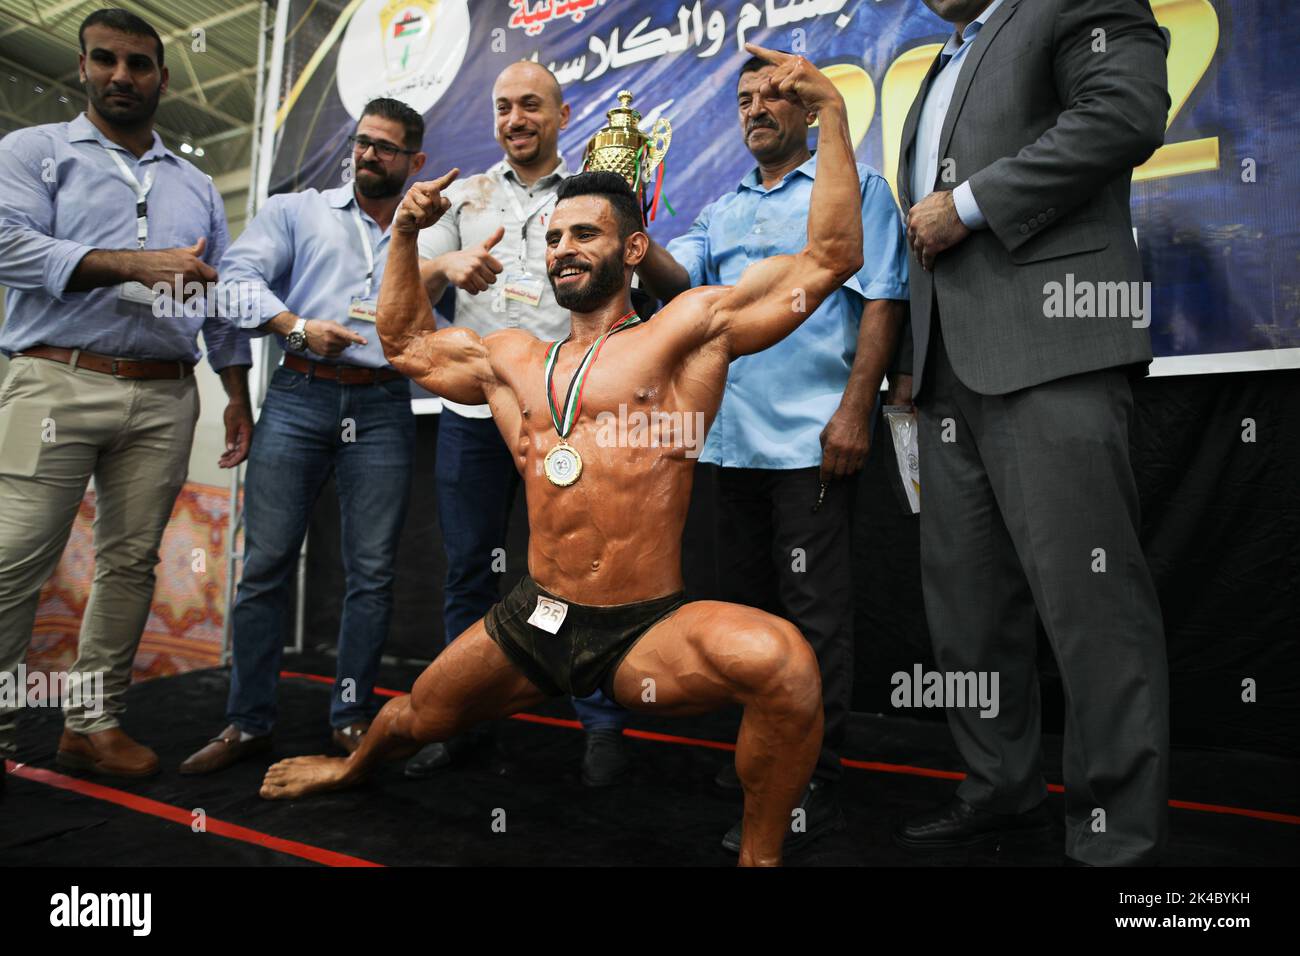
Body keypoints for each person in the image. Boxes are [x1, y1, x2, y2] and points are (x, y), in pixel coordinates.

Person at [257, 45, 861, 867]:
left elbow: (829, 259)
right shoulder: (513, 360)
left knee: (785, 664)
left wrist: (833, 115)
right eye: (555, 237)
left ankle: (760, 856)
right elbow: (401, 341)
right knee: (413, 717)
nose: (564, 248)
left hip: (643, 627)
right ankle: (347, 766)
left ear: (634, 249)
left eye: (586, 233)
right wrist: (404, 233)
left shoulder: (685, 335)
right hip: (536, 619)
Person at [893, 0, 1170, 865]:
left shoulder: (1073, 4)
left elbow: (1124, 114)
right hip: (945, 376)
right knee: (967, 616)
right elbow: (923, 234)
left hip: (1054, 346)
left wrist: (969, 204)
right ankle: (1000, 789)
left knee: (1091, 606)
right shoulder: (942, 60)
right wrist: (911, 362)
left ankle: (1113, 835)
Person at [636, 52, 909, 854]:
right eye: (746, 99)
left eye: (774, 97)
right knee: (747, 621)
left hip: (811, 443)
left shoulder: (853, 191)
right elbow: (679, 280)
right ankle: (767, 757)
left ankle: (813, 775)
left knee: (815, 619)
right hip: (730, 446)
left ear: (807, 110)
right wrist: (630, 226)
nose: (757, 108)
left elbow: (885, 298)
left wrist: (856, 411)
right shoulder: (722, 211)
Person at [0, 8, 251, 779]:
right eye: (105, 60)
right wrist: (132, 265)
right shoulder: (32, 150)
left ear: (162, 78)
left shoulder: (196, 183)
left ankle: (92, 721)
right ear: (82, 66)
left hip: (166, 395)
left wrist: (235, 390)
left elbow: (220, 291)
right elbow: (9, 244)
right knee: (12, 561)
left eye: (138, 64)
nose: (121, 76)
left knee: (130, 563)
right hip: (50, 380)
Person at [178, 99, 426, 775]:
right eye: (362, 142)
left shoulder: (425, 233)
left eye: (385, 147)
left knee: (371, 575)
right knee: (264, 568)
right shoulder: (298, 211)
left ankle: (349, 718)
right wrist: (295, 326)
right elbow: (233, 285)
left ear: (414, 162)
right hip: (299, 392)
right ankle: (247, 722)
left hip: (382, 404)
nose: (369, 155)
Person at [412, 60, 630, 785]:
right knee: (468, 571)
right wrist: (447, 269)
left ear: (563, 116)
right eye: (504, 107)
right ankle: (462, 722)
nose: (515, 119)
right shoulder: (465, 197)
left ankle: (600, 725)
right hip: (474, 412)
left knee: (583, 575)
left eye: (531, 105)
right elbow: (402, 286)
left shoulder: (591, 198)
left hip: (564, 414)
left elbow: (626, 284)